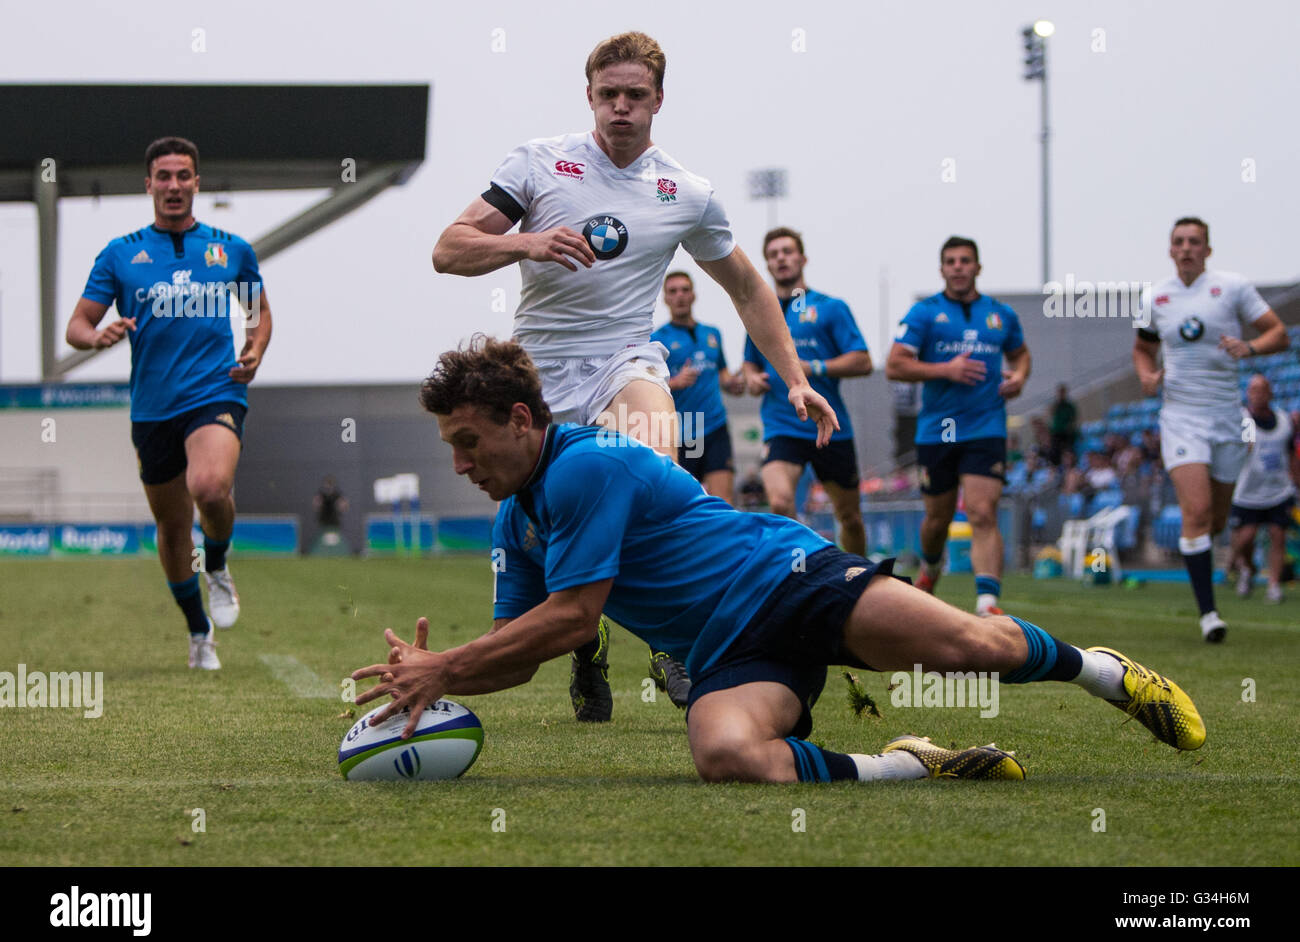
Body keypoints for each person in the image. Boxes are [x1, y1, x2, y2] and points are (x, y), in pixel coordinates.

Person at [349, 337, 1206, 786]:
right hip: (731, 655)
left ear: (523, 418)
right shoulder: (515, 519)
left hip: (787, 581)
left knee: (972, 651)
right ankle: (913, 766)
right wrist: (438, 677)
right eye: (451, 446)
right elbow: (520, 646)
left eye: (469, 441)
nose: (460, 463)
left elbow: (572, 620)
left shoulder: (586, 465)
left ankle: (1105, 673)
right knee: (724, 755)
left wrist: (448, 666)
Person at [431, 32, 837, 722]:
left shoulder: (687, 191)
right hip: (534, 376)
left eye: (635, 96)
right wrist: (525, 240)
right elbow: (449, 250)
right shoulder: (538, 165)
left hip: (626, 359)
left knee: (655, 475)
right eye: (608, 94)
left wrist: (793, 377)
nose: (621, 107)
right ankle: (585, 642)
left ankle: (671, 644)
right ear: (589, 95)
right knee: (552, 521)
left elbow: (746, 287)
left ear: (657, 100)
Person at [65, 136, 272, 670]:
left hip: (215, 391)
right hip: (152, 408)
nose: (174, 185)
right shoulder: (120, 254)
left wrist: (254, 350)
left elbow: (259, 314)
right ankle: (199, 631)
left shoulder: (230, 250)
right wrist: (98, 337)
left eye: (184, 175)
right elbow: (76, 326)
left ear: (197, 183)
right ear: (149, 184)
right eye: (164, 176)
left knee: (209, 485)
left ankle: (220, 566)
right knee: (174, 527)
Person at [1133, 217, 1289, 641]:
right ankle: (1209, 616)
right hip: (1181, 417)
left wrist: (1250, 346)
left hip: (1226, 419)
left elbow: (1279, 333)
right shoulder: (1154, 296)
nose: (1187, 248)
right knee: (1196, 512)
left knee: (1217, 520)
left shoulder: (1233, 287)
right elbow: (1143, 350)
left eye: (1195, 242)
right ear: (1170, 250)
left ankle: (1220, 563)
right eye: (1179, 242)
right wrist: (1146, 376)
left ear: (1207, 249)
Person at [885, 236, 1031, 616]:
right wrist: (945, 370)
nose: (958, 266)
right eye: (951, 261)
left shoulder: (1001, 315)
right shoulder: (924, 313)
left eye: (965, 260)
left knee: (983, 512)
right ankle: (932, 566)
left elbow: (1020, 354)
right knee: (938, 520)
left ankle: (987, 603)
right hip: (938, 431)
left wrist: (1019, 377)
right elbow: (895, 365)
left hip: (986, 426)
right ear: (942, 269)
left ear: (977, 267)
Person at [741, 227, 872, 555]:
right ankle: (803, 573)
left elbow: (863, 360)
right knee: (782, 503)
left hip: (829, 424)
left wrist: (815, 368)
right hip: (782, 425)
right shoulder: (760, 311)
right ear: (767, 265)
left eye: (787, 251)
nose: (781, 258)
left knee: (850, 517)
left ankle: (860, 578)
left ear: (802, 258)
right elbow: (749, 362)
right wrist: (752, 378)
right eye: (773, 255)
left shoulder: (831, 307)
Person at [650, 271, 745, 502]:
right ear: (665, 299)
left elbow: (722, 373)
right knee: (683, 507)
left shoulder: (713, 334)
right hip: (681, 435)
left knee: (723, 506)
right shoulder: (656, 340)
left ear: (693, 295)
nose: (680, 296)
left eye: (685, 290)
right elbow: (647, 386)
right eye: (673, 291)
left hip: (715, 428)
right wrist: (674, 383)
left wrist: (733, 383)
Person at [1229, 375, 1299, 603]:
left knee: (1277, 536)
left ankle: (1273, 585)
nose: (1257, 394)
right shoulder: (1244, 420)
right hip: (1249, 491)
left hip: (1278, 490)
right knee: (1245, 538)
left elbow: (1290, 453)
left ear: (1270, 392)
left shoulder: (1284, 420)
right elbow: (1244, 448)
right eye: (1253, 390)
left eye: (1261, 390)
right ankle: (1248, 569)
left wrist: (1295, 480)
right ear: (1248, 394)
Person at [1048, 384, 1078, 466]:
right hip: (1057, 432)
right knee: (1054, 451)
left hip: (1066, 433)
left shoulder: (1069, 406)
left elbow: (1073, 418)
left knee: (1068, 450)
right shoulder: (1055, 405)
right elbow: (1050, 414)